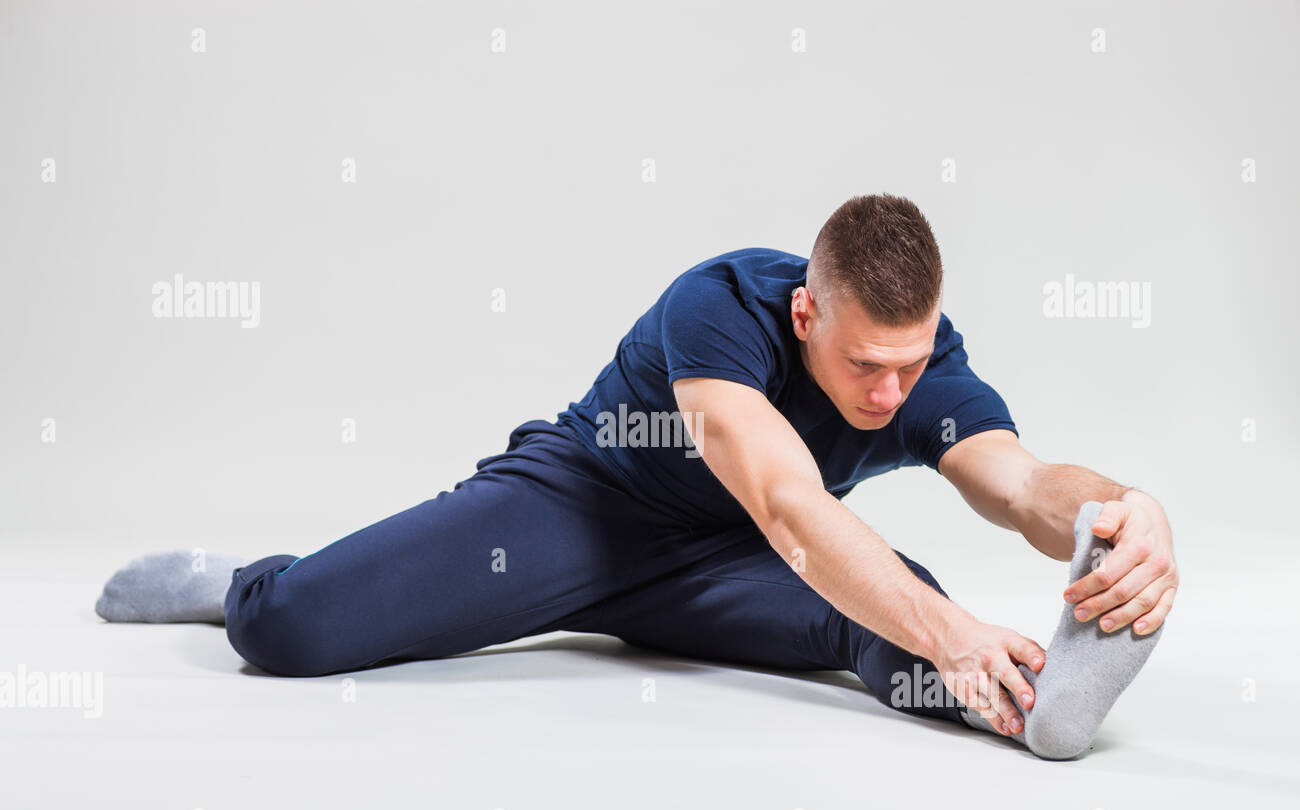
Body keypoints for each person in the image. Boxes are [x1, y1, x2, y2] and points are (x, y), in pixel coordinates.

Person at [95, 193, 1179, 759]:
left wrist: (1120, 510)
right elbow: (791, 507)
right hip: (572, 514)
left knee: (892, 614)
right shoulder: (716, 306)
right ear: (805, 311)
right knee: (289, 633)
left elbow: (1017, 481)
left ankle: (1027, 714)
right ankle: (245, 577)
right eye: (864, 365)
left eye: (911, 362)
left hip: (726, 568)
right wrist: (942, 622)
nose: (891, 393)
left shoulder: (914, 361)